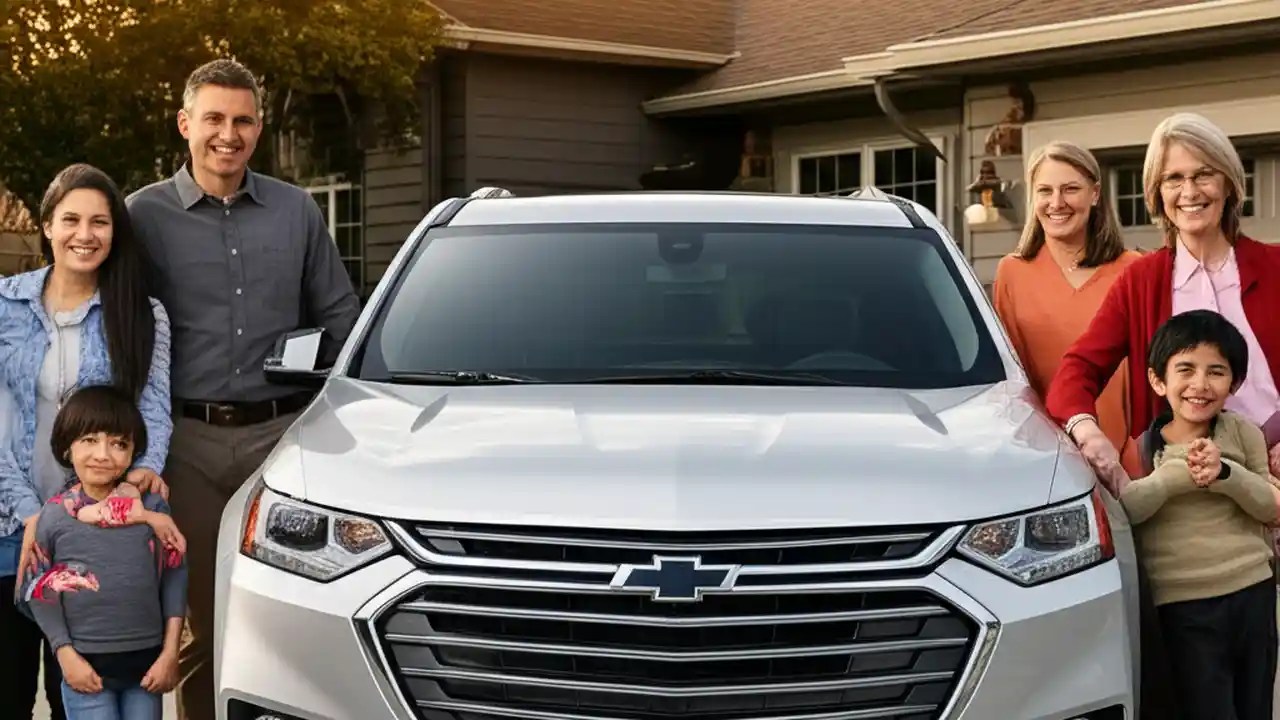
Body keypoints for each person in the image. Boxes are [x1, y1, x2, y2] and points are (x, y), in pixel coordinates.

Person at [126, 58, 360, 720]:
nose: (228, 135)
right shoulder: (141, 216)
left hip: (281, 443)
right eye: (214, 120)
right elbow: (114, 328)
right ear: (185, 125)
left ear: (258, 129)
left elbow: (340, 320)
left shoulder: (295, 211)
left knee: (293, 610)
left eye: (243, 121)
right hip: (185, 447)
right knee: (203, 612)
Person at [0, 164, 173, 720]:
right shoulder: (5, 306)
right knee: (7, 685)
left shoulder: (141, 314)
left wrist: (136, 484)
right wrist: (30, 513)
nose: (85, 233)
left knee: (79, 690)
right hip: (9, 524)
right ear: (47, 226)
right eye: (71, 219)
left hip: (96, 531)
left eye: (100, 221)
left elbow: (153, 412)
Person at [1046, 112, 1280, 501]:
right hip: (1183, 490)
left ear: (1229, 184)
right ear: (1157, 192)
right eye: (1173, 178)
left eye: (1204, 174)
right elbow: (1077, 369)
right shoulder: (1141, 282)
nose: (1189, 191)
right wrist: (1089, 436)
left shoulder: (1275, 268)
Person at [1118, 310, 1277, 718]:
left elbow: (1271, 507)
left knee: (1254, 708)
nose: (1200, 385)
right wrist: (1173, 478)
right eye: (1185, 369)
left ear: (1235, 383)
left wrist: (1226, 473)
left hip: (1253, 594)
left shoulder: (1243, 434)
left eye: (1216, 372)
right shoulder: (1142, 448)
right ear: (1158, 380)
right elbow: (1127, 513)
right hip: (1185, 608)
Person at [18, 385, 188, 720]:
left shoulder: (153, 508)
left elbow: (175, 578)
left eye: (118, 443)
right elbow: (36, 593)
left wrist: (170, 653)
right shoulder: (53, 515)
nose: (103, 454)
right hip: (86, 670)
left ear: (133, 451)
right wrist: (64, 653)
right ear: (68, 448)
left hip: (147, 669)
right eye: (89, 440)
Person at [993, 141, 1140, 481]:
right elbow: (1012, 380)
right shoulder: (1012, 273)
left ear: (1095, 194)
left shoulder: (1134, 269)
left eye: (1071, 189)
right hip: (1047, 462)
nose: (1056, 203)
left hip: (1129, 459)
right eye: (1045, 190)